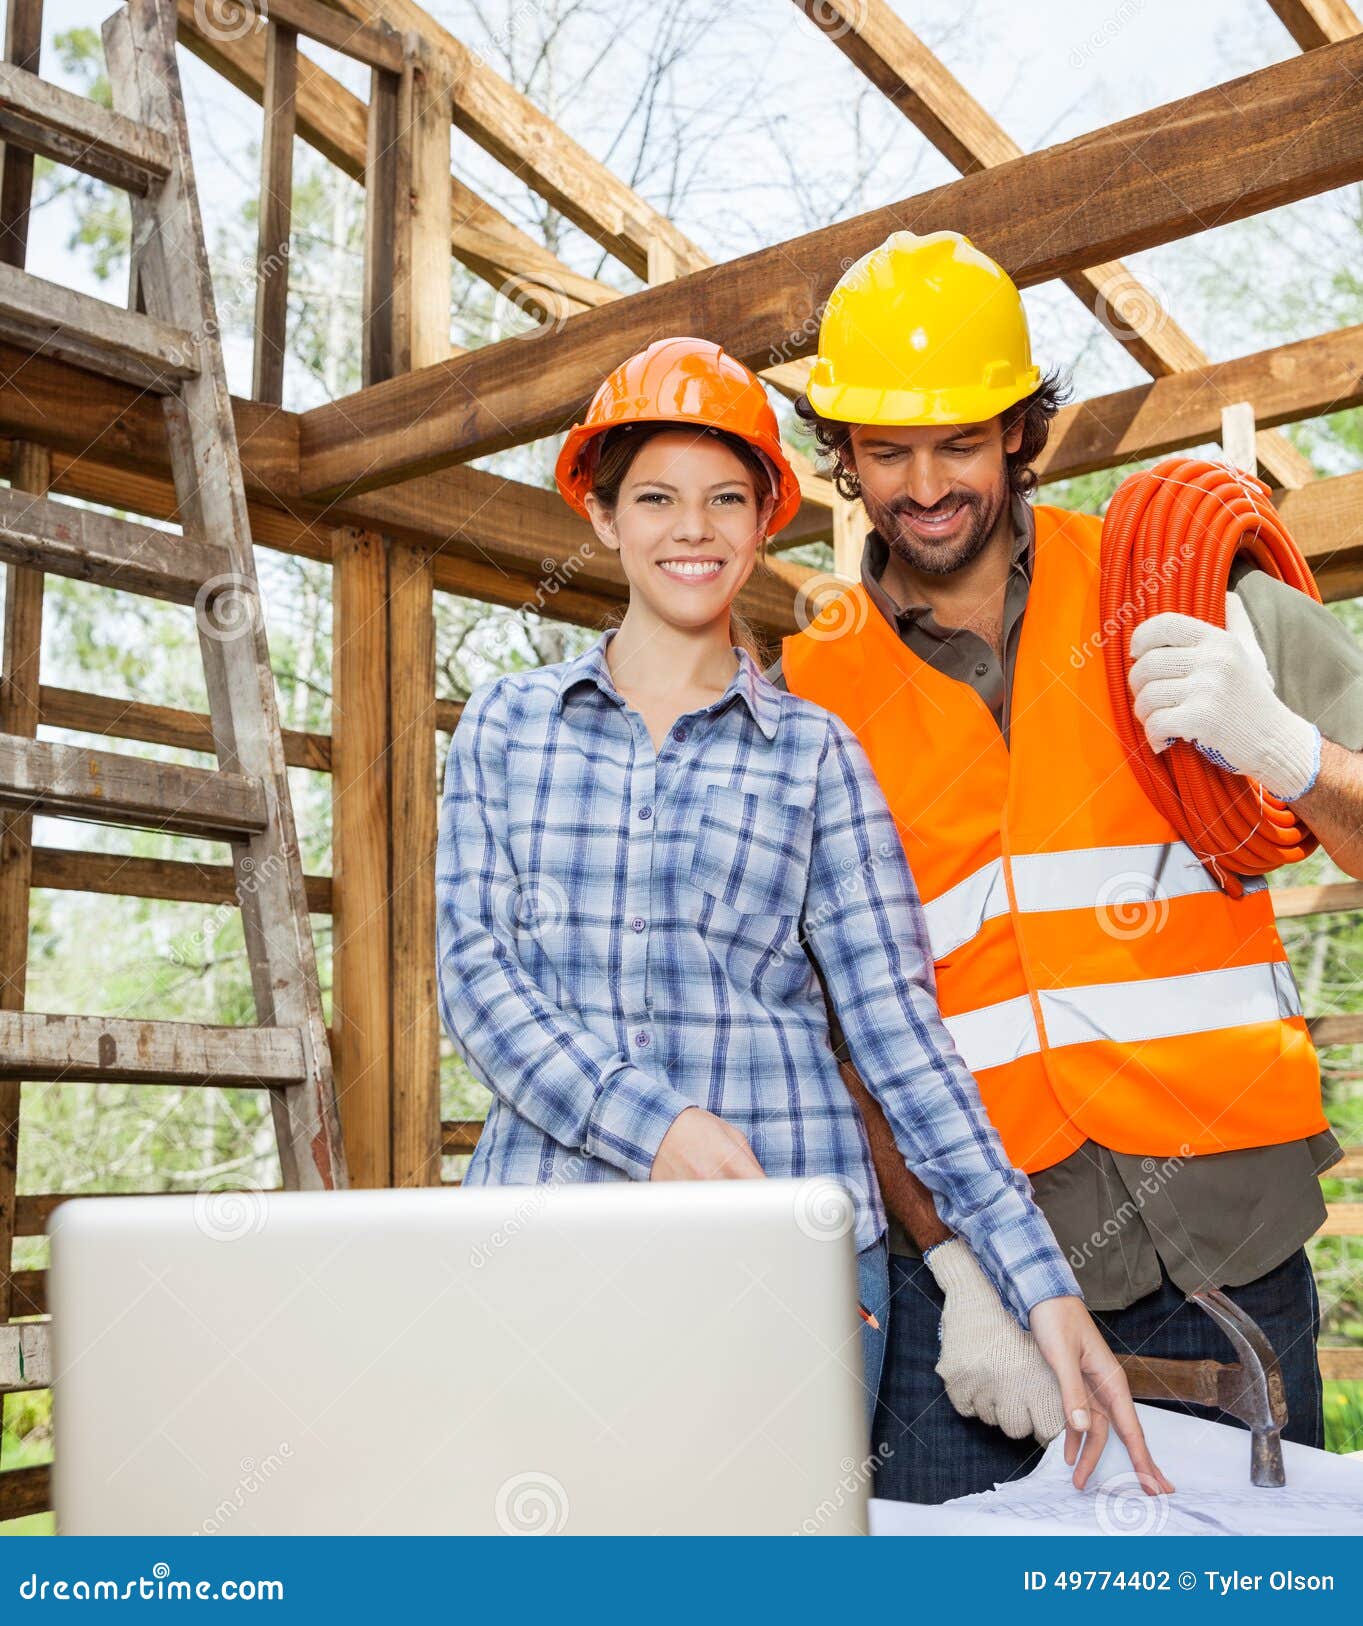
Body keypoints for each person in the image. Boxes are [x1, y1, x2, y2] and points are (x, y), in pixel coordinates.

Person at [435, 335, 1171, 1494]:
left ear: (766, 519)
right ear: (601, 515)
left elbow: (900, 1037)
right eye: (656, 498)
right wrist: (654, 1126)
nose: (692, 528)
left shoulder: (817, 755)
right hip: (549, 1235)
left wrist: (1036, 1281)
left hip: (793, 1258)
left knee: (774, 1567)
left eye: (726, 498)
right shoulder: (507, 725)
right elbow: (478, 981)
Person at [775, 228, 1362, 1504]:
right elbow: (830, 1028)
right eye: (887, 450)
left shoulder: (1178, 584)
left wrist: (1283, 746)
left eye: (958, 442)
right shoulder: (807, 688)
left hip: (1223, 1250)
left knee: (1240, 1593)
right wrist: (955, 1266)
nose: (925, 485)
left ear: (1017, 431)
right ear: (844, 456)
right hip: (977, 1294)